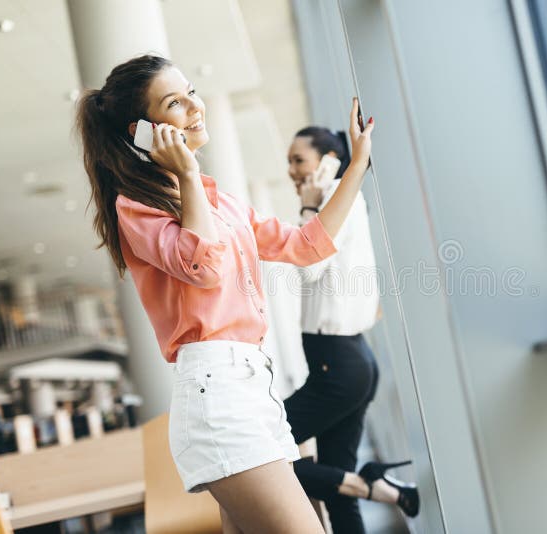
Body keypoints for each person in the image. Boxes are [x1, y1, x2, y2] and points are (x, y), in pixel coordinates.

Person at [75, 54, 374, 533]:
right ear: (144, 131)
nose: (196, 107)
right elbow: (205, 267)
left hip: (255, 391)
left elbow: (306, 245)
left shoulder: (223, 201)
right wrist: (188, 174)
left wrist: (357, 165)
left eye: (192, 91)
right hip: (217, 396)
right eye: (175, 102)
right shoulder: (137, 208)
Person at [283, 126, 419, 533]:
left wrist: (308, 209)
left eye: (298, 160)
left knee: (257, 452)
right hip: (348, 362)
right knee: (338, 500)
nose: (291, 170)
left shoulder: (332, 202)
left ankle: (371, 486)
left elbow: (309, 267)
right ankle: (370, 484)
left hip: (339, 368)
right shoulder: (345, 201)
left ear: (328, 162)